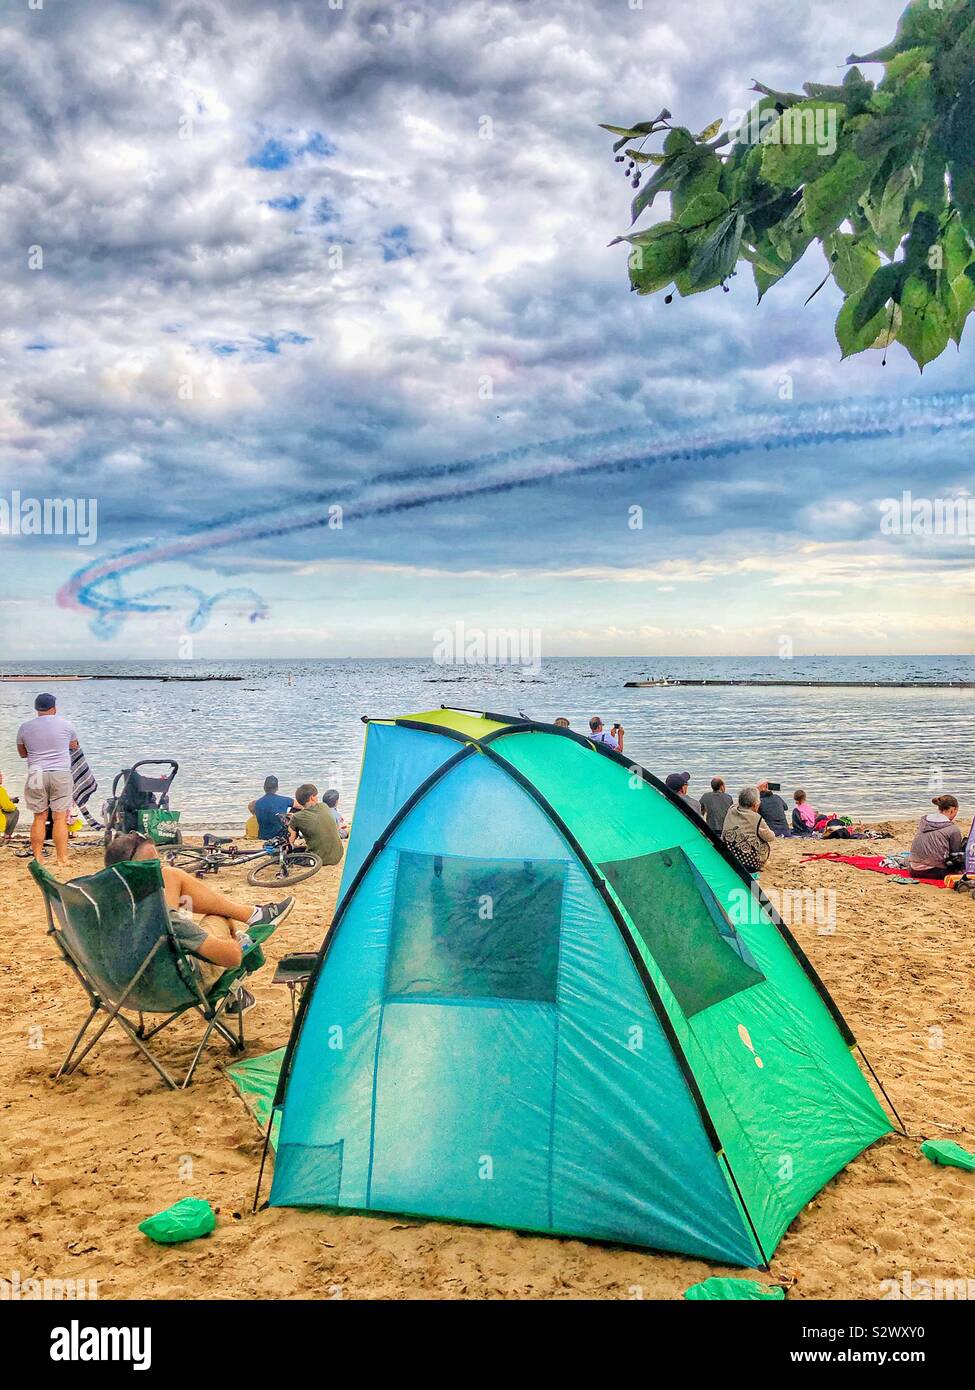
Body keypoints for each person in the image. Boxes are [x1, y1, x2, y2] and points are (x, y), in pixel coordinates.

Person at [104, 831, 294, 1010]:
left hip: (124, 993)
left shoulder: (99, 915)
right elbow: (232, 957)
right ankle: (236, 994)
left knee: (174, 880)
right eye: (152, 865)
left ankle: (254, 915)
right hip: (175, 990)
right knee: (220, 917)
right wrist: (234, 941)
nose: (158, 870)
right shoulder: (164, 919)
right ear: (132, 872)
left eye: (159, 864)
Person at [16, 693, 79, 867]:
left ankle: (38, 858)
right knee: (60, 818)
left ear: (36, 709)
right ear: (54, 708)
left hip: (36, 772)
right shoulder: (67, 725)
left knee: (39, 817)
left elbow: (22, 753)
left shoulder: (24, 727)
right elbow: (74, 746)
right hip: (60, 773)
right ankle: (61, 859)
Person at [909, 795, 965, 880]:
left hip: (913, 869)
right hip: (935, 872)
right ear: (952, 810)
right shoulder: (953, 829)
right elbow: (955, 856)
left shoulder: (923, 821)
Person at [722, 787, 775, 870]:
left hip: (727, 856)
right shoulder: (756, 818)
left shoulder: (731, 810)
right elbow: (770, 837)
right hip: (748, 863)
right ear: (755, 805)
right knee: (763, 841)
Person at [290, 783, 343, 866]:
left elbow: (291, 842)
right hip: (338, 855)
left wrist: (292, 822)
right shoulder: (324, 806)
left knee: (292, 855)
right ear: (312, 797)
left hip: (319, 860)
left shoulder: (297, 817)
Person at [248, 775, 294, 840]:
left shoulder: (257, 803)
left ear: (264, 787)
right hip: (280, 837)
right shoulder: (286, 800)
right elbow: (301, 805)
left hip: (263, 837)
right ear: (277, 788)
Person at [0, 772, 20, 844]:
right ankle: (7, 835)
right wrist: (13, 802)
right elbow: (9, 808)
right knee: (15, 812)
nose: (2, 777)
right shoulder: (1, 790)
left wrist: (9, 800)